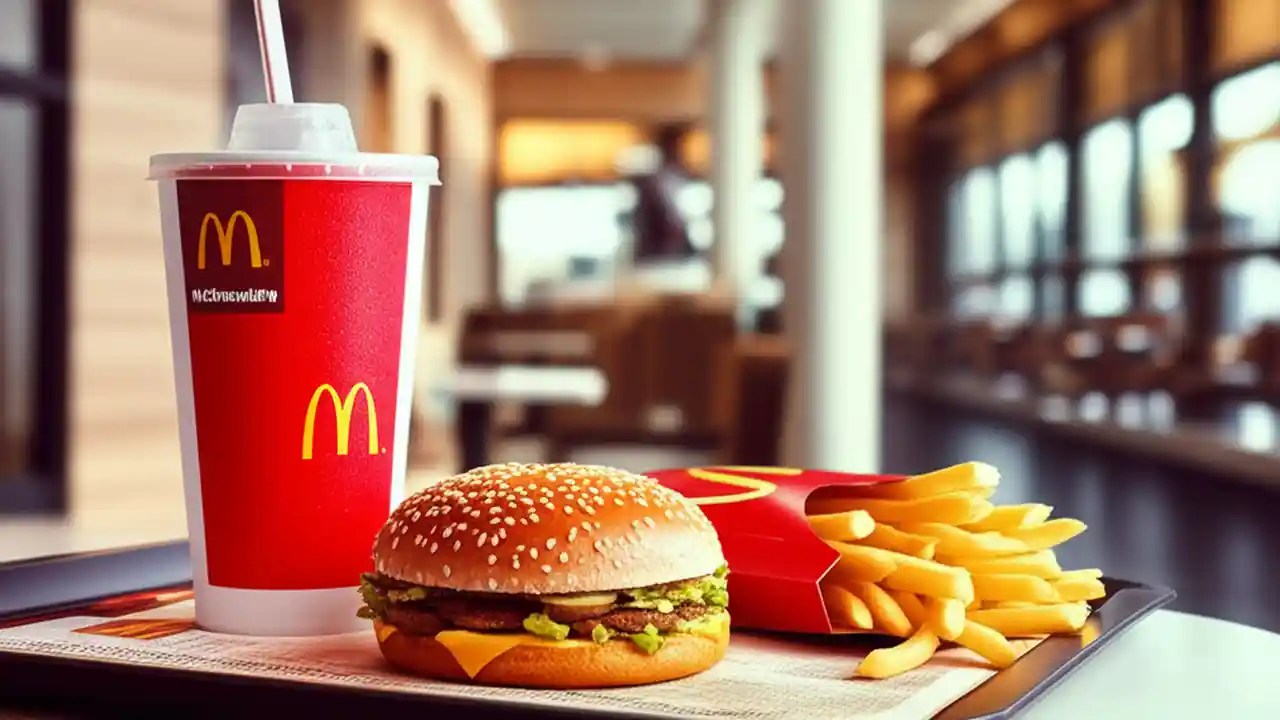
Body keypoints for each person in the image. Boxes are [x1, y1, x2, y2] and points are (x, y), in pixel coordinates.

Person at [630, 123, 694, 262]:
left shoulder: (678, 179)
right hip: (657, 259)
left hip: (676, 256)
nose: (680, 152)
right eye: (675, 146)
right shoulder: (652, 185)